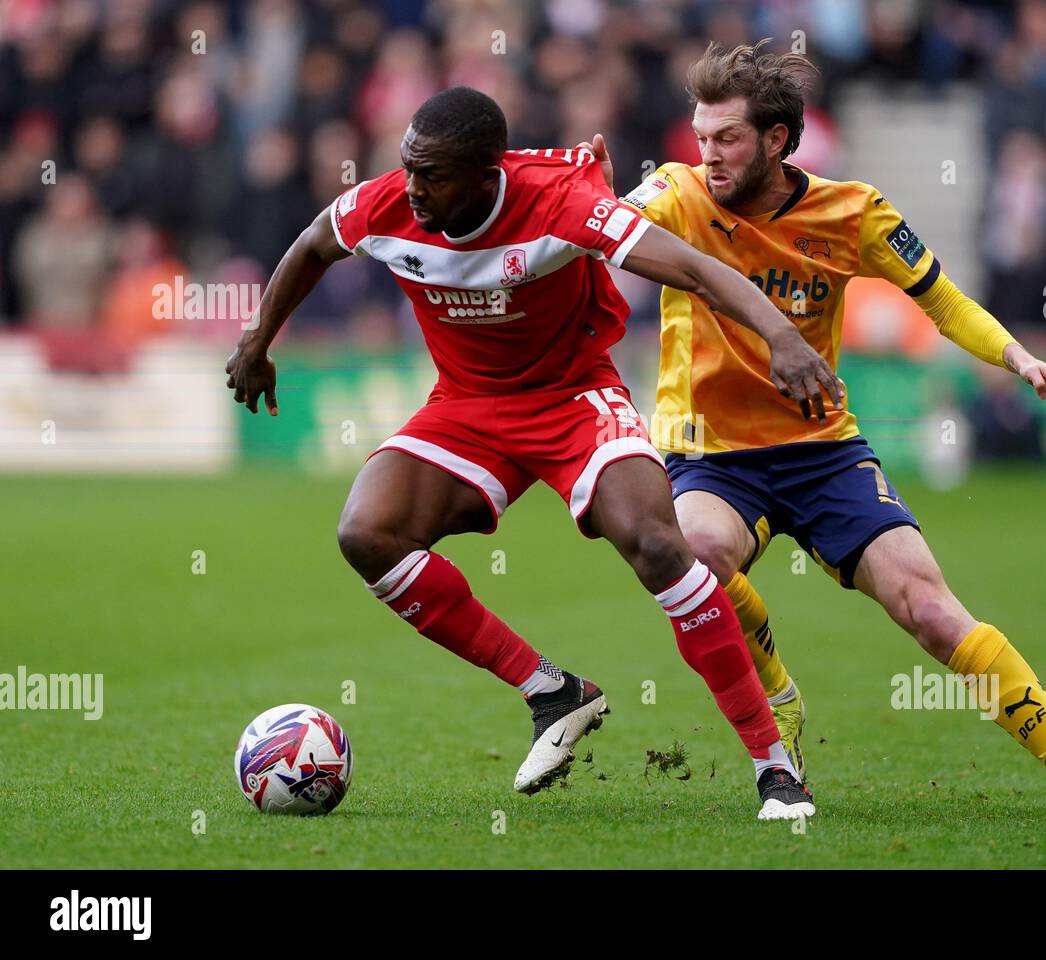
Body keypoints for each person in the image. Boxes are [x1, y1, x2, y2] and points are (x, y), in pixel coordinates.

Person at [224, 86, 846, 819]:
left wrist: (782, 336)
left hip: (572, 395)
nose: (413, 189)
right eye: (409, 169)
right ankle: (550, 689)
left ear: (489, 175)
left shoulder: (561, 205)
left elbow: (697, 270)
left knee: (655, 541)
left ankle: (775, 766)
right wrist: (257, 340)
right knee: (367, 532)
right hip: (464, 408)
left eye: (433, 175)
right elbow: (309, 247)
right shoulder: (385, 205)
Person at [581, 41, 1046, 819]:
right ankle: (777, 692)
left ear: (777, 140)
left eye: (728, 140)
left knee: (929, 608)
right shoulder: (676, 193)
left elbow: (944, 302)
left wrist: (1018, 357)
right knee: (696, 553)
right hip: (710, 454)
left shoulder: (853, 213)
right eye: (701, 137)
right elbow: (606, 226)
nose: (707, 156)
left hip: (822, 452)